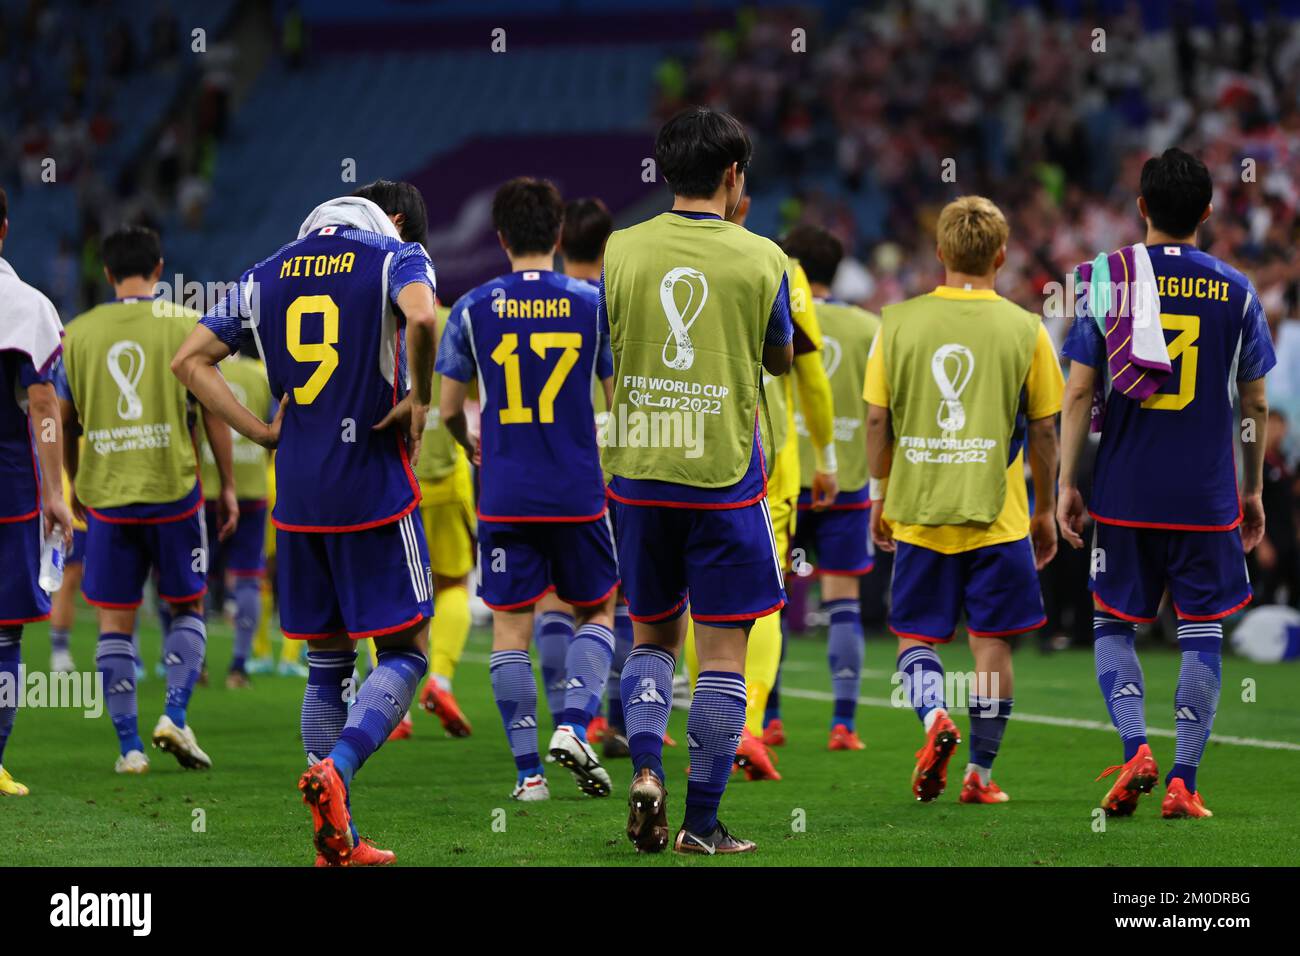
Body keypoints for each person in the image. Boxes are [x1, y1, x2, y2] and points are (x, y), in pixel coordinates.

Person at [173, 182, 438, 865]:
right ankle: (339, 771)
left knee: (327, 663)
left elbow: (189, 361)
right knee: (407, 651)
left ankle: (335, 840)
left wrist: (262, 431)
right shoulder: (394, 256)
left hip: (297, 496)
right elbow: (425, 319)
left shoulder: (266, 273)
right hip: (373, 489)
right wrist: (419, 400)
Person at [1058, 147, 1274, 819]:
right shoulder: (1238, 291)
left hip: (1124, 491)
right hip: (1207, 496)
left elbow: (1078, 393)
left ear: (1141, 208)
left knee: (1112, 624)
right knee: (1201, 629)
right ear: (1207, 214)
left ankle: (1134, 752)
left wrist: (1067, 482)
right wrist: (1253, 489)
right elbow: (1257, 404)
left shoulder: (1107, 280)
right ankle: (1183, 781)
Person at [602, 107, 794, 854]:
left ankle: (646, 769)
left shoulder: (621, 248)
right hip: (722, 475)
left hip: (640, 466)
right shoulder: (762, 257)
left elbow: (614, 345)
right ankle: (702, 824)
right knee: (722, 653)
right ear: (733, 176)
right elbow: (779, 358)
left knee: (651, 638)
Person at [867, 195, 1062, 805]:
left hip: (921, 509)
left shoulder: (896, 321)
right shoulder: (1026, 327)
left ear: (940, 252)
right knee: (991, 643)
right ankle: (980, 773)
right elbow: (1047, 430)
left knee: (916, 641)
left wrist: (880, 494)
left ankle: (932, 718)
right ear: (1000, 255)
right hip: (998, 516)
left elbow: (877, 422)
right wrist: (1045, 508)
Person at [439, 177, 618, 802]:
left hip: (505, 493)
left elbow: (445, 410)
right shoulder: (593, 305)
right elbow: (615, 401)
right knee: (597, 609)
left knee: (510, 627)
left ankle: (528, 776)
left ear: (500, 237)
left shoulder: (470, 306)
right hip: (576, 490)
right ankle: (574, 723)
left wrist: (472, 443)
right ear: (559, 234)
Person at [60, 225, 236, 775]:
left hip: (107, 494)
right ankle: (175, 715)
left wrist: (75, 479)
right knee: (186, 607)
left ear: (107, 274)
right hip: (173, 491)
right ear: (159, 270)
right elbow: (213, 409)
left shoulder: (78, 333)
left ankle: (130, 749)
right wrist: (228, 483)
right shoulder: (184, 322)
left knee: (115, 622)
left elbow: (63, 422)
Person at [783, 224, 881, 750]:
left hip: (788, 480)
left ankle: (767, 719)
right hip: (848, 482)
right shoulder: (869, 328)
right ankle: (843, 724)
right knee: (843, 600)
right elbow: (879, 415)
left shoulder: (780, 316)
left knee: (769, 602)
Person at [0, 184, 73, 796]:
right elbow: (44, 402)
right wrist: (55, 489)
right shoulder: (24, 305)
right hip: (7, 488)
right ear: (3, 230)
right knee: (4, 629)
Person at [197, 344, 273, 688]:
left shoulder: (199, 369)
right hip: (252, 487)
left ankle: (193, 664)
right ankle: (239, 666)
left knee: (195, 578)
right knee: (247, 578)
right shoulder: (261, 375)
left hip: (207, 489)